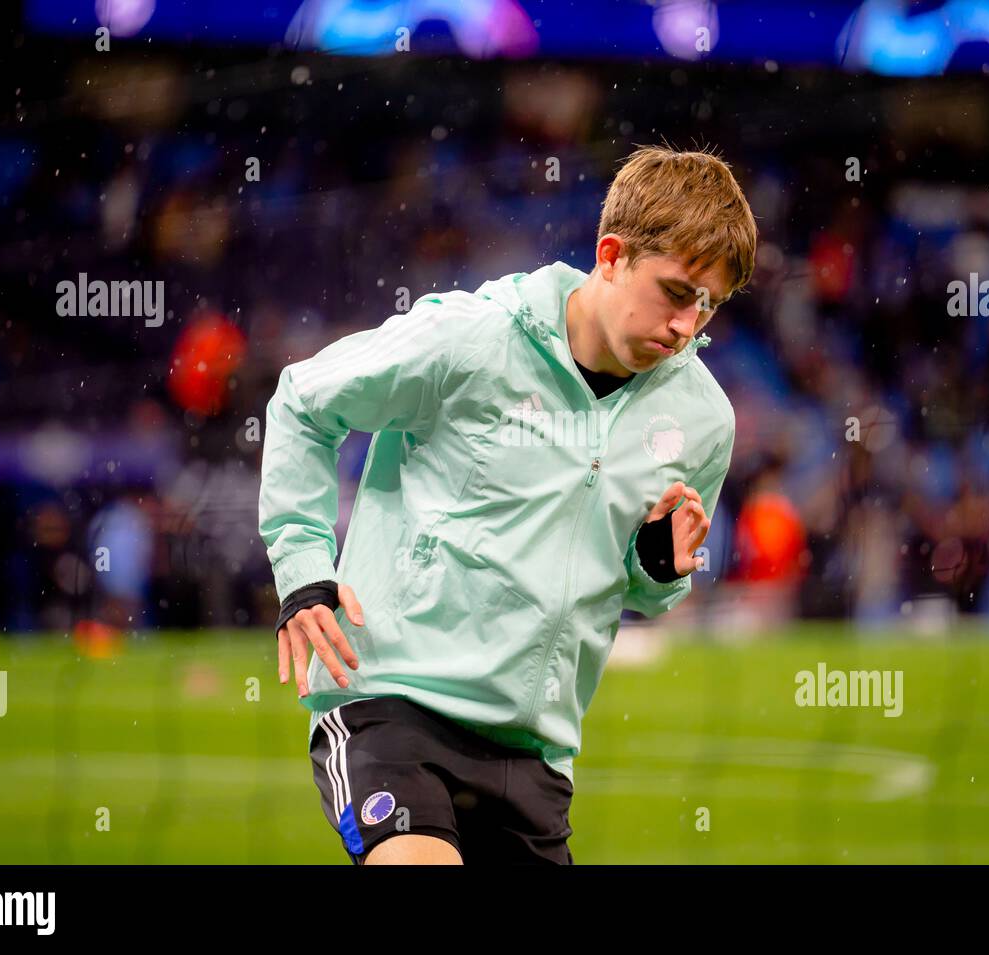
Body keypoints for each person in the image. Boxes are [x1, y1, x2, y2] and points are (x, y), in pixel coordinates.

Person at [257, 145, 756, 864]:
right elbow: (304, 401)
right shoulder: (471, 338)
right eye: (678, 292)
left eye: (710, 306)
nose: (688, 326)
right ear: (610, 255)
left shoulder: (703, 420)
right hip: (395, 704)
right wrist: (304, 568)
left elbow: (650, 593)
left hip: (534, 751)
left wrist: (656, 567)